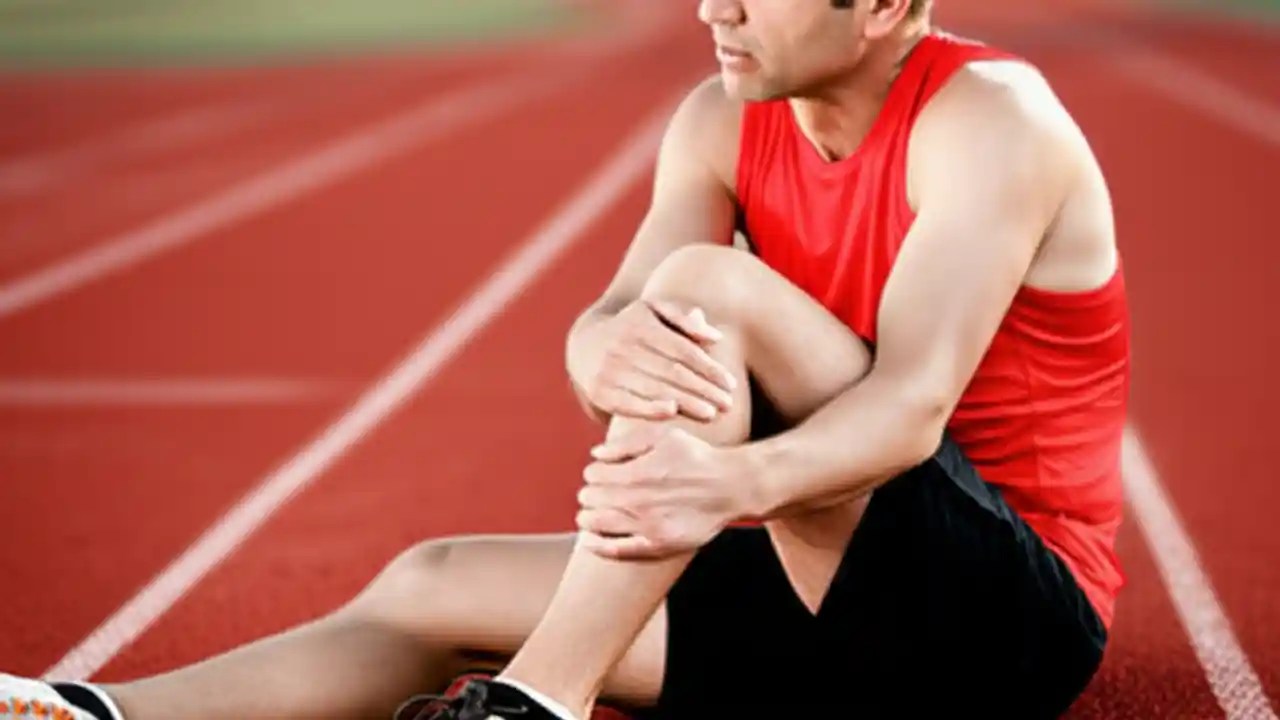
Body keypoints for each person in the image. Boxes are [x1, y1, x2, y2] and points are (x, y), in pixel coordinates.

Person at [2, 0, 1130, 718]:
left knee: (705, 290)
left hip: (1002, 622)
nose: (711, 9)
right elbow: (607, 319)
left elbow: (907, 413)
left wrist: (725, 483)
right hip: (828, 601)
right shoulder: (717, 119)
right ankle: (96, 716)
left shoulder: (991, 122)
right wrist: (601, 356)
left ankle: (541, 700)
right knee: (429, 583)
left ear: (881, 5)